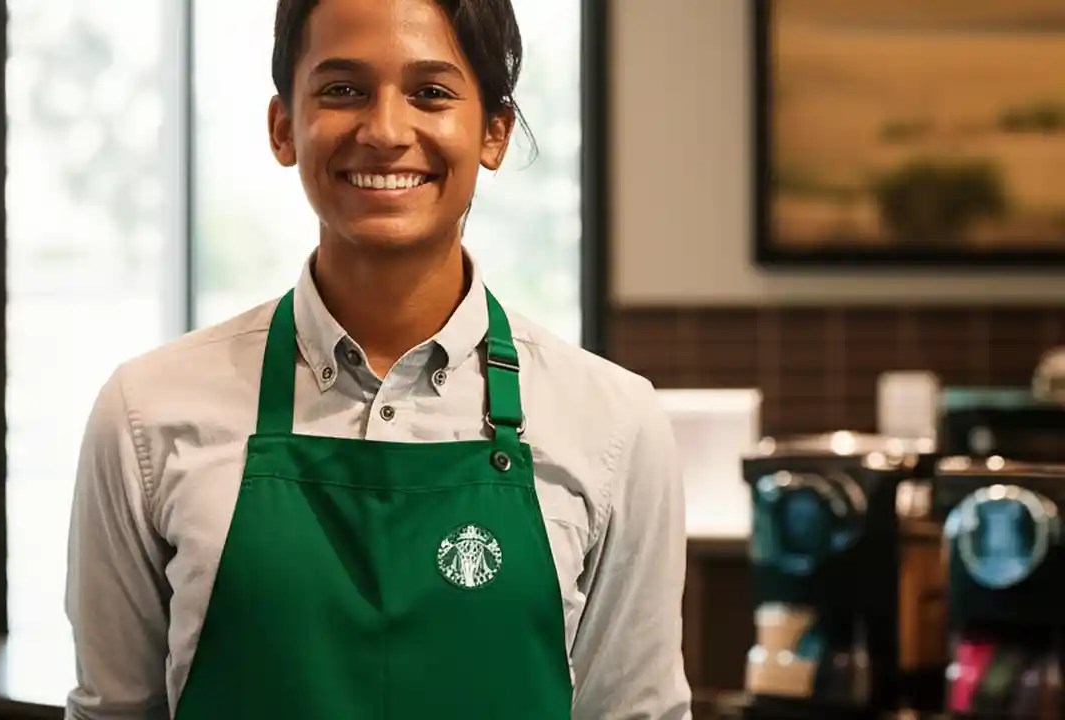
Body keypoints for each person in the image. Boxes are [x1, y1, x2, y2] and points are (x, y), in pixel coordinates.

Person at [65, 0, 691, 717]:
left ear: (494, 131)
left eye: (431, 93)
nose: (386, 131)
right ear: (283, 127)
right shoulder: (146, 415)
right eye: (342, 90)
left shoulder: (614, 424)